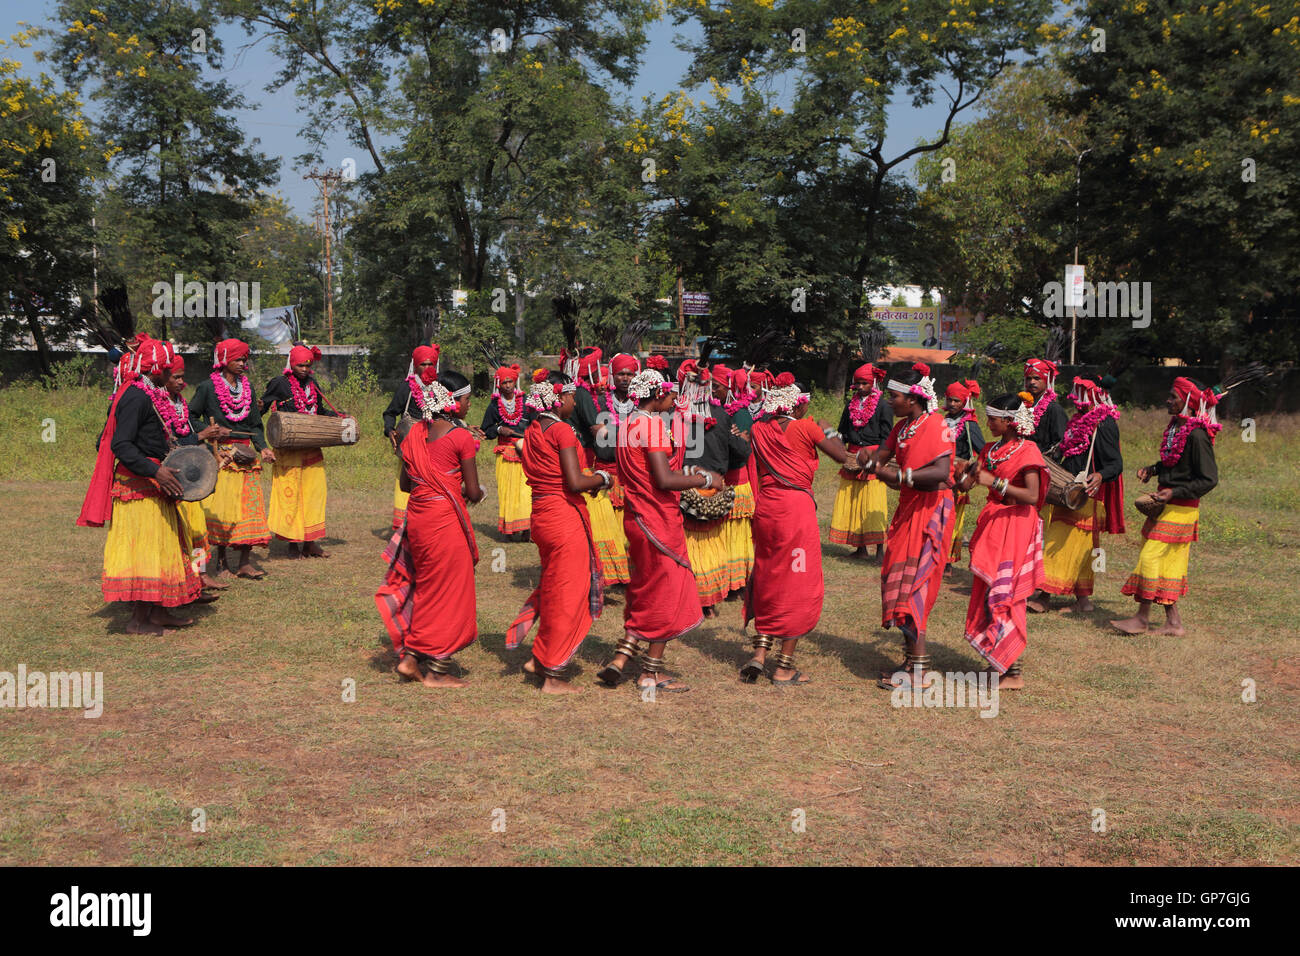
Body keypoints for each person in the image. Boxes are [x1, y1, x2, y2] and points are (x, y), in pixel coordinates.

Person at [596, 368, 723, 693]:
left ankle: (622, 659)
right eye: (669, 393)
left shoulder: (626, 425)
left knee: (645, 588)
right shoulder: (651, 427)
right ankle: (650, 673)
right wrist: (706, 480)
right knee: (668, 592)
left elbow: (651, 471)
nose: (673, 398)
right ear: (656, 395)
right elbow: (664, 481)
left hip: (636, 518)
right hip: (657, 520)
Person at [742, 373, 861, 684]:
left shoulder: (758, 429)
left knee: (769, 576)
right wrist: (828, 427)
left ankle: (759, 653)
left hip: (767, 510)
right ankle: (783, 665)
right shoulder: (807, 427)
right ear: (796, 406)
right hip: (795, 514)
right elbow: (844, 458)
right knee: (797, 581)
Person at [78, 339, 203, 634]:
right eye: (168, 365)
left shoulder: (154, 392)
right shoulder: (135, 397)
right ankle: (137, 621)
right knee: (146, 550)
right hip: (138, 485)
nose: (173, 369)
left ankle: (158, 613)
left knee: (163, 548)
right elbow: (121, 444)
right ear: (157, 369)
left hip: (156, 480)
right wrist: (155, 471)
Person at [376, 371, 484, 688]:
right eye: (466, 399)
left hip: (419, 520)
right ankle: (438, 669)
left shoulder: (414, 435)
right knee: (451, 591)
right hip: (444, 521)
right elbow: (475, 492)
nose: (468, 405)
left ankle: (411, 658)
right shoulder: (461, 438)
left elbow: (407, 484)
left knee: (427, 586)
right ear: (453, 401)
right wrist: (464, 491)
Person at [506, 371, 607, 693]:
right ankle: (553, 673)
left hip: (543, 515)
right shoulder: (562, 431)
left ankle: (539, 658)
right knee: (568, 593)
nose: (575, 402)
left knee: (553, 586)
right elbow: (576, 482)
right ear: (559, 399)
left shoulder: (534, 428)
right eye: (572, 397)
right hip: (563, 516)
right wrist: (604, 479)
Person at [860, 364, 956, 689]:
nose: (889, 401)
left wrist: (899, 476)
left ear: (914, 398)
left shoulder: (936, 424)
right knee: (897, 582)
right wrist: (866, 459)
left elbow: (942, 472)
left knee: (916, 586)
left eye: (894, 396)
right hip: (908, 508)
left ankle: (920, 673)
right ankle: (910, 662)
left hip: (933, 511)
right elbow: (881, 459)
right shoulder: (902, 427)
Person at [954, 392, 1049, 690]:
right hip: (995, 525)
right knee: (990, 592)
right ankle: (998, 661)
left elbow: (1033, 496)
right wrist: (962, 473)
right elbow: (969, 482)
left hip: (1017, 524)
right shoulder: (991, 450)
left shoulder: (1028, 451)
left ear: (1009, 422)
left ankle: (1014, 672)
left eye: (993, 419)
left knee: (1006, 594)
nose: (988, 423)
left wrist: (993, 482)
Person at [1111, 378, 1220, 637]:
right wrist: (1153, 469)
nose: (1167, 400)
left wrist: (1175, 491)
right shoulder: (1176, 427)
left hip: (1182, 509)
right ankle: (1173, 623)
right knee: (1167, 563)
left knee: (1150, 557)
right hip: (1168, 505)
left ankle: (1142, 618)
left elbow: (1209, 479)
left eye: (1173, 397)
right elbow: (1173, 462)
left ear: (1188, 403)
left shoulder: (1197, 435)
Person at [1029, 377, 1123, 613]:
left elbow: (1115, 463)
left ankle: (1045, 595)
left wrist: (1101, 475)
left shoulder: (1104, 423)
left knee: (1059, 544)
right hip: (1068, 492)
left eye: (1080, 392)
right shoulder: (1077, 420)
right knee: (1076, 547)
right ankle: (1083, 601)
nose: (1074, 396)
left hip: (1086, 496)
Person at [188, 338, 274, 579]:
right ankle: (222, 562)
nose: (242, 363)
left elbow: (256, 424)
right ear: (224, 360)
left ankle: (245, 563)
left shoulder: (248, 388)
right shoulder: (207, 388)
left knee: (249, 511)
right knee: (223, 510)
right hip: (221, 457)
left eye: (245, 359)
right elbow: (190, 416)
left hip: (247, 458)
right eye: (237, 359)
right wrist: (210, 431)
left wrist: (263, 448)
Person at [260, 343, 338, 558]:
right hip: (289, 451)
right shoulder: (279, 383)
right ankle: (292, 544)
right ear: (291, 364)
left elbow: (320, 411)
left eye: (308, 365)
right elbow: (263, 407)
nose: (304, 369)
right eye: (300, 365)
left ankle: (310, 543)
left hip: (312, 449)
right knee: (290, 496)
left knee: (313, 495)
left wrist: (340, 417)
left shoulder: (313, 384)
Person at [165, 352, 232, 591]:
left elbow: (187, 432)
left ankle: (200, 575)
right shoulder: (158, 403)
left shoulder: (180, 402)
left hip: (191, 476)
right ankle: (188, 580)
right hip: (173, 477)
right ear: (163, 377)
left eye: (182, 377)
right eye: (176, 377)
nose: (181, 382)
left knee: (198, 529)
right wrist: (201, 436)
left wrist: (209, 445)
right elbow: (171, 441)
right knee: (182, 531)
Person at [680, 363, 740, 618]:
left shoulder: (675, 414)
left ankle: (692, 599)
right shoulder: (722, 415)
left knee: (690, 545)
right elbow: (740, 456)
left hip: (685, 486)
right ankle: (709, 603)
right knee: (712, 543)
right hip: (715, 486)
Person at [570, 347, 631, 586]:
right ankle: (603, 573)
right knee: (602, 526)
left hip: (616, 469)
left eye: (630, 374)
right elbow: (602, 438)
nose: (624, 378)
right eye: (620, 374)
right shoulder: (590, 397)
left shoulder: (579, 392)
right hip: (597, 467)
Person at [829, 363, 894, 560]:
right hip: (851, 456)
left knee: (873, 503)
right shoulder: (850, 404)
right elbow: (843, 430)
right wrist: (840, 447)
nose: (860, 386)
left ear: (873, 382)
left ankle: (880, 551)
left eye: (864, 383)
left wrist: (877, 459)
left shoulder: (883, 405)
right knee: (854, 502)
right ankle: (861, 549)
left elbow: (887, 436)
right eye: (857, 383)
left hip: (873, 457)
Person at [383, 344, 440, 528]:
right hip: (410, 446)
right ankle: (404, 526)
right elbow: (390, 412)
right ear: (415, 365)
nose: (427, 368)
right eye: (423, 364)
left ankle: (427, 522)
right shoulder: (406, 387)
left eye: (431, 364)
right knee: (407, 483)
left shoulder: (440, 389)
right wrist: (389, 429)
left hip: (433, 446)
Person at [480, 363, 535, 541]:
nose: (508, 386)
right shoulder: (494, 406)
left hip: (525, 452)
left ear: (515, 381)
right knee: (507, 492)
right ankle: (509, 530)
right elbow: (485, 430)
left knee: (525, 492)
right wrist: (497, 430)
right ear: (499, 385)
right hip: (505, 453)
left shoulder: (527, 403)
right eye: (504, 383)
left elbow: (536, 425)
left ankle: (527, 530)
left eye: (510, 382)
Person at [721, 365, 758, 597]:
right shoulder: (729, 412)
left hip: (737, 480)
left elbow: (741, 448)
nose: (712, 391)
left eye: (717, 387)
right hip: (728, 479)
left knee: (736, 533)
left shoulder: (740, 414)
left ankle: (739, 583)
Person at [942, 379, 986, 565]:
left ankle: (947, 561)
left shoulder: (970, 425)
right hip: (939, 475)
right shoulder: (942, 421)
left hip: (957, 478)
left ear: (965, 402)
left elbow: (983, 452)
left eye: (956, 401)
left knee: (951, 518)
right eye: (949, 400)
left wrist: (968, 470)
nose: (952, 404)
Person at [1023, 358, 1068, 453]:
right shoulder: (1021, 405)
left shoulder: (1054, 409)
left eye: (1036, 378)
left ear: (1046, 380)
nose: (1032, 382)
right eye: (1028, 378)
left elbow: (1060, 444)